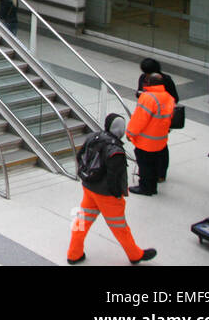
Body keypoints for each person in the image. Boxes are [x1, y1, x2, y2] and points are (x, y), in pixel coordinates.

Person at [67, 113, 156, 265]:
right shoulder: (115, 151)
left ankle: (74, 253)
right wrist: (117, 196)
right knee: (120, 227)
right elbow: (115, 178)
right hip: (106, 195)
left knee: (82, 221)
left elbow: (80, 156)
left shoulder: (94, 137)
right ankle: (135, 255)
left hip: (89, 187)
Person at [126, 73, 173, 196]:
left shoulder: (147, 98)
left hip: (146, 140)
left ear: (149, 83)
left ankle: (145, 188)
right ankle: (153, 187)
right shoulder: (168, 97)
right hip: (160, 139)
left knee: (145, 164)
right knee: (154, 163)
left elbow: (139, 119)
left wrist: (130, 133)